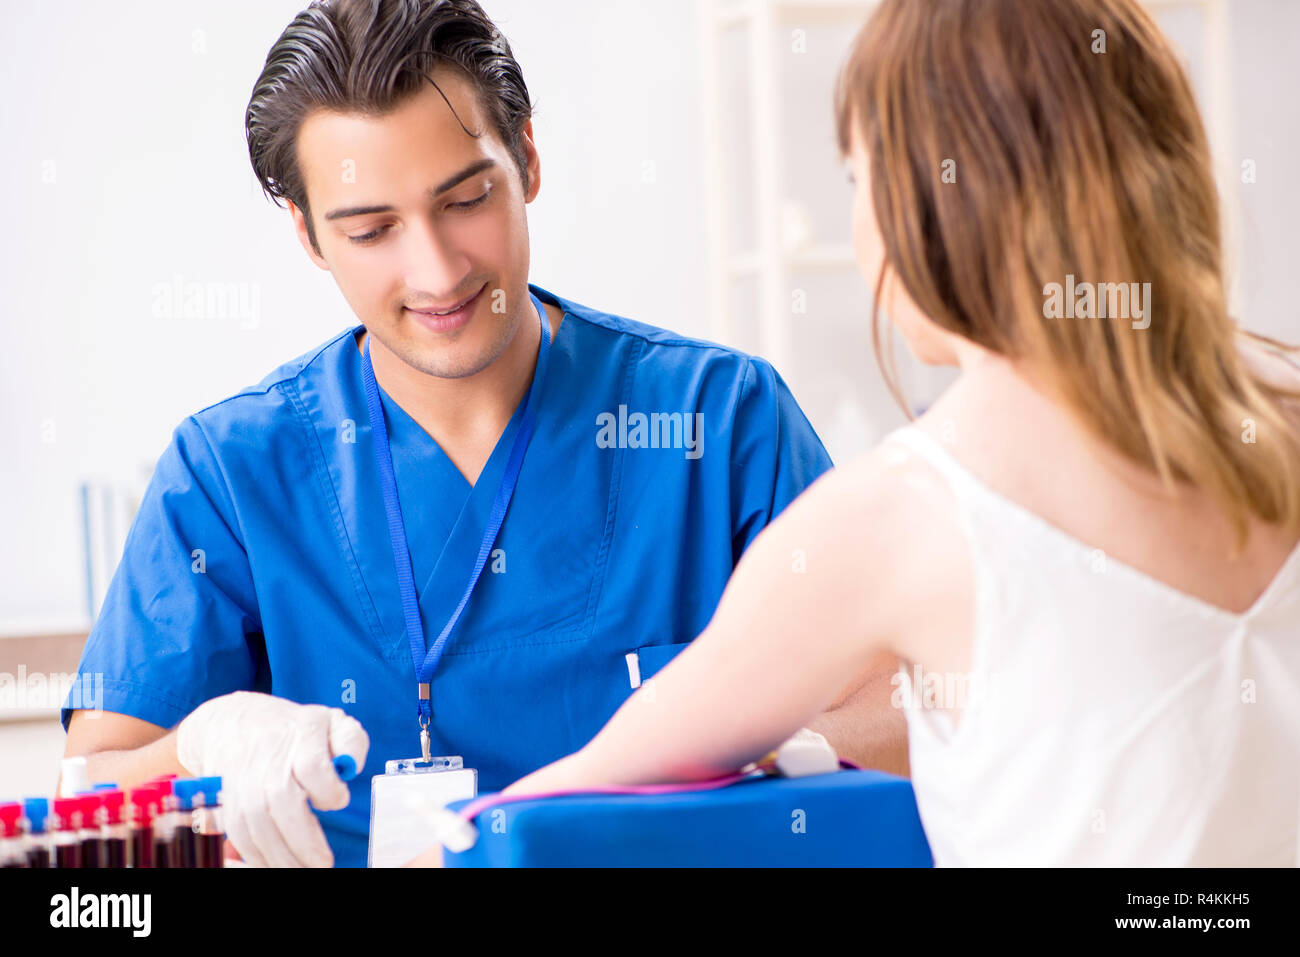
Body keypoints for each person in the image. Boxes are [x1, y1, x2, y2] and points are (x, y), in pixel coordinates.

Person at [59, 0, 911, 869]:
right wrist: (205, 743)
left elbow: (906, 701)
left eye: (466, 199)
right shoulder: (232, 476)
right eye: (372, 229)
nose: (436, 271)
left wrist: (715, 765)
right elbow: (93, 795)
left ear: (528, 159)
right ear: (308, 232)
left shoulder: (718, 422)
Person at [492, 0, 1300, 866]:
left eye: (858, 179)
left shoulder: (903, 511)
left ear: (932, 201)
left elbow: (582, 788)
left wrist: (445, 831)